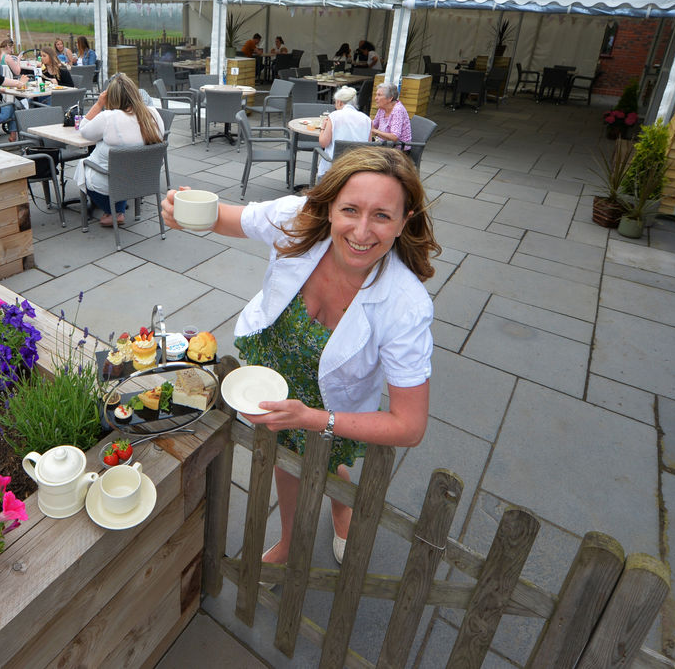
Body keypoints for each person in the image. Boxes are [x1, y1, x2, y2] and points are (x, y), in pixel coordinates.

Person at [160, 147, 437, 565]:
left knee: (328, 457)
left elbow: (409, 425)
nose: (362, 232)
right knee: (287, 459)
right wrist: (181, 211)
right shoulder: (297, 217)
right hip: (274, 368)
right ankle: (291, 542)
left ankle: (341, 507)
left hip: (331, 404)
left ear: (404, 221)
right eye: (350, 210)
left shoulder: (406, 306)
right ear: (328, 208)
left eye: (382, 215)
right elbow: (224, 218)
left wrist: (311, 418)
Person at [76, 74, 165, 227]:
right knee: (118, 163)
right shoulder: (153, 113)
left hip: (114, 179)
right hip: (144, 178)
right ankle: (117, 210)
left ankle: (114, 211)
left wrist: (98, 104)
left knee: (83, 165)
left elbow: (83, 130)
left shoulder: (108, 117)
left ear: (112, 97)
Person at [316, 86, 372, 180]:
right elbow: (368, 145)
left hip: (333, 168)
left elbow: (323, 143)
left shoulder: (334, 116)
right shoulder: (367, 119)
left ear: (339, 102)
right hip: (357, 169)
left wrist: (322, 128)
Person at [370, 81, 411, 149]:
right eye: (376, 94)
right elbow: (374, 125)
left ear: (390, 98)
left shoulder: (397, 110)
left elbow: (394, 137)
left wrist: (375, 131)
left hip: (397, 150)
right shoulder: (382, 108)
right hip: (383, 145)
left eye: (379, 95)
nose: (375, 98)